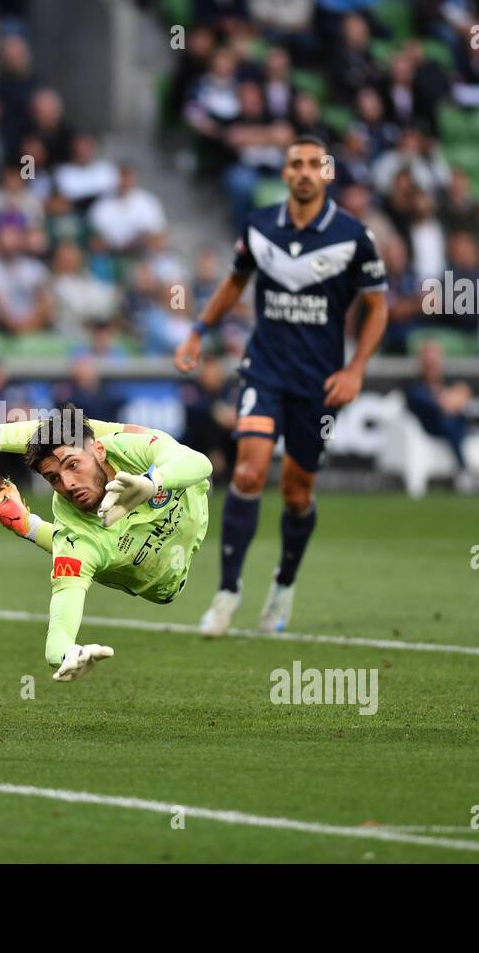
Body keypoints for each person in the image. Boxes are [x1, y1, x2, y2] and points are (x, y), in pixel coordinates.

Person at [173, 135, 389, 636]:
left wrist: (356, 368)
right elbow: (234, 282)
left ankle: (284, 584)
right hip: (264, 370)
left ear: (328, 173)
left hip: (318, 383)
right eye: (297, 164)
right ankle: (227, 594)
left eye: (316, 164)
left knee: (296, 491)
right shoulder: (259, 225)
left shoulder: (355, 236)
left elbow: (377, 304)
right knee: (247, 474)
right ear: (285, 173)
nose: (306, 171)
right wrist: (199, 330)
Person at [0, 396, 212, 683]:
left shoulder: (126, 447)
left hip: (188, 498)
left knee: (75, 429)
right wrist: (67, 654)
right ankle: (27, 523)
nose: (68, 484)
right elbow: (59, 631)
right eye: (53, 479)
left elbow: (199, 462)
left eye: (73, 466)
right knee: (81, 548)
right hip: (164, 579)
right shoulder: (75, 537)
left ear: (100, 451)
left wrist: (151, 481)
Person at [404, 339, 472, 468]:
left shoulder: (448, 381)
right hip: (430, 428)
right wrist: (450, 400)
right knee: (448, 422)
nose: (432, 365)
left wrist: (451, 400)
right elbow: (437, 405)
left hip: (458, 424)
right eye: (428, 361)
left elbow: (464, 393)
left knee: (455, 421)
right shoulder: (415, 386)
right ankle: (463, 466)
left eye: (434, 361)